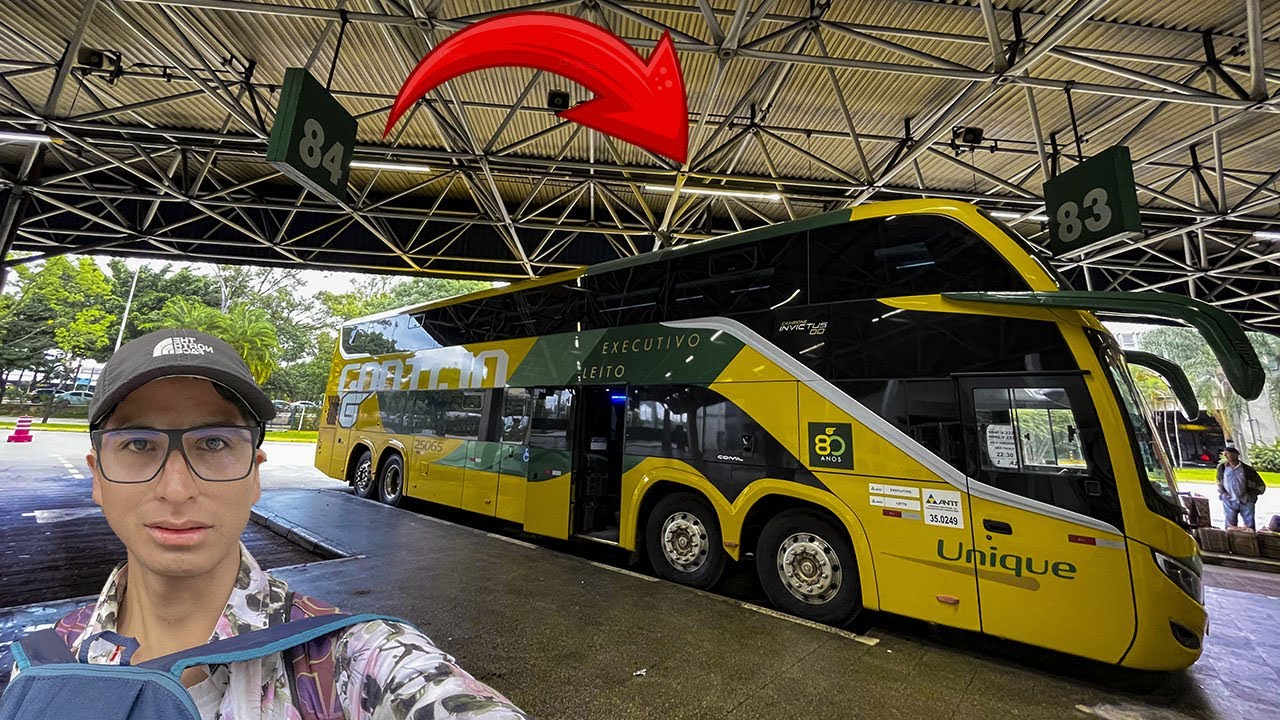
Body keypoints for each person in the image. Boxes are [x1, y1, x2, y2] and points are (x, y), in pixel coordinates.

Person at [9, 329, 530, 719]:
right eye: (139, 444)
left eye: (214, 443)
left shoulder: (358, 659)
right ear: (98, 477)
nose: (176, 489)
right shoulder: (29, 668)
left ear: (255, 477)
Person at [1216, 446, 1267, 531]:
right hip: (1229, 500)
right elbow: (1218, 482)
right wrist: (1223, 493)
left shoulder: (1247, 470)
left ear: (1236, 455)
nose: (1226, 457)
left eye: (1228, 454)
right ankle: (1231, 542)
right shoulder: (1222, 468)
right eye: (1225, 454)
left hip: (1246, 501)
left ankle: (1250, 542)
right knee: (1230, 526)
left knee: (1249, 526)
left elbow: (1261, 486)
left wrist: (1251, 495)